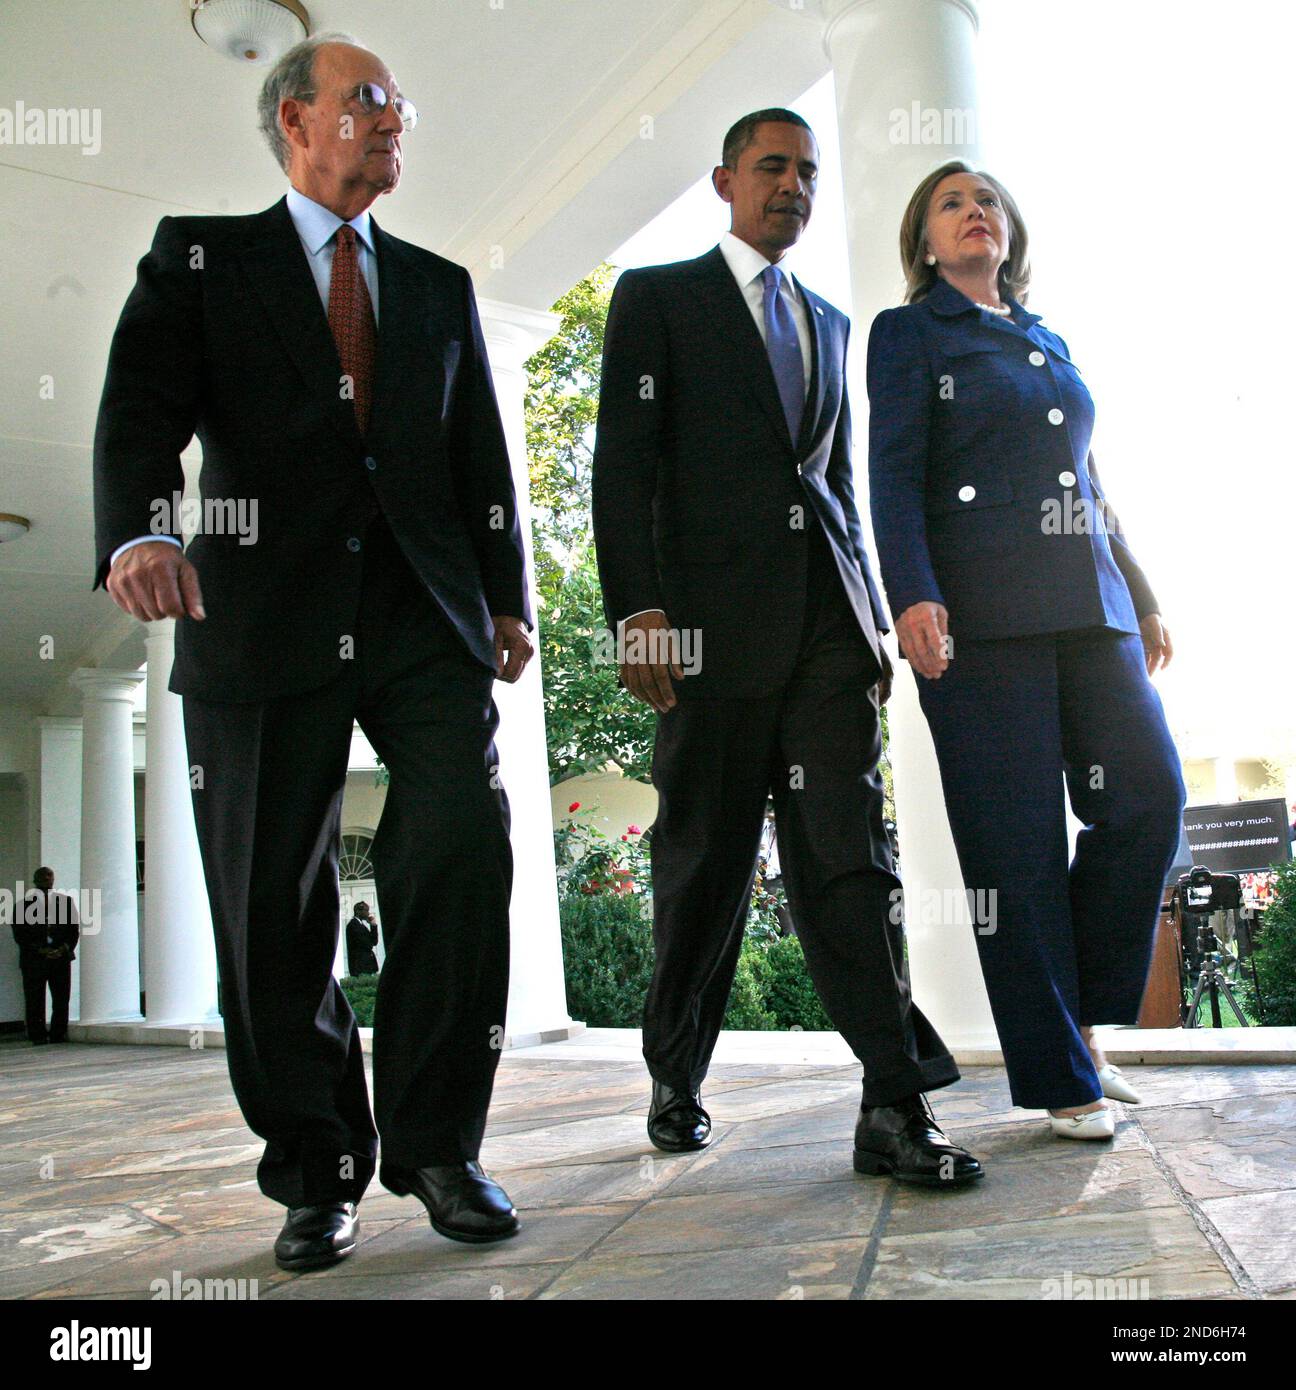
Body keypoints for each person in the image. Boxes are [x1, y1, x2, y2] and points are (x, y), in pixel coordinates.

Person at [92, 33, 533, 1269]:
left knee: (457, 839)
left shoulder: (436, 286)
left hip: (419, 612)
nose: (394, 120)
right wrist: (139, 530)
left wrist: (502, 594)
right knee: (266, 904)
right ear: (295, 121)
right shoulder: (202, 256)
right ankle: (317, 1167)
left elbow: (478, 454)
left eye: (401, 103)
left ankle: (440, 1145)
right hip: (258, 612)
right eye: (368, 102)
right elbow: (140, 407)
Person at [592, 110, 983, 1187]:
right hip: (707, 642)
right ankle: (675, 1071)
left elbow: (840, 485)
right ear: (724, 179)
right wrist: (639, 611)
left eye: (809, 171)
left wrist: (877, 608)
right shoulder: (656, 298)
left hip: (823, 632)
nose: (793, 186)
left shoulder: (832, 320)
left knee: (850, 862)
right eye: (773, 167)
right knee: (704, 868)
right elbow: (623, 465)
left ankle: (894, 1103)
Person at [867, 160, 1187, 1140]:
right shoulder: (911, 332)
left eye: (989, 202)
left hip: (1093, 609)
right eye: (952, 205)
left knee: (1149, 797)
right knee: (1016, 850)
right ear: (925, 241)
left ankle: (1079, 1027)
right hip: (980, 618)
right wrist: (913, 592)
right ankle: (1061, 1075)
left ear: (1011, 231)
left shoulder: (1044, 337)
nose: (975, 214)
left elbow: (1089, 476)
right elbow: (894, 472)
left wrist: (1142, 590)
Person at [11, 867, 79, 1045]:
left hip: (60, 959)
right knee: (34, 999)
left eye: (50, 876)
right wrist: (40, 950)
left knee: (61, 998)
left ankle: (58, 1033)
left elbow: (73, 930)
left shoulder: (65, 902)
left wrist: (63, 949)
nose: (47, 880)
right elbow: (20, 934)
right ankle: (37, 1035)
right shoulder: (22, 906)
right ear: (35, 880)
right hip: (34, 960)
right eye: (43, 877)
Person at [344, 902, 380, 976]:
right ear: (358, 911)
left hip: (367, 965)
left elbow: (374, 942)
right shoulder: (353, 925)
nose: (368, 913)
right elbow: (368, 944)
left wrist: (373, 926)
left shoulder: (361, 925)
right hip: (360, 966)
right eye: (366, 910)